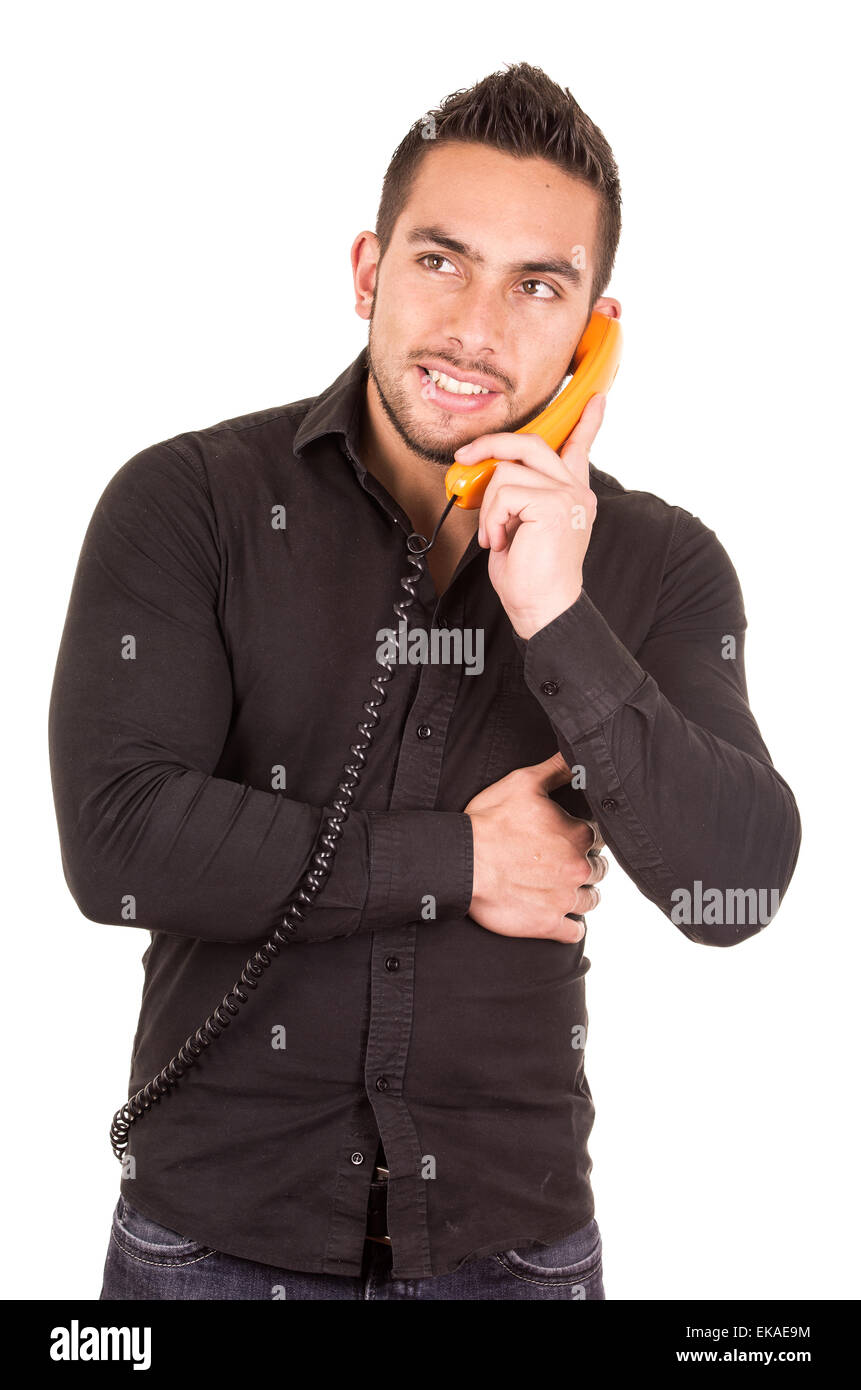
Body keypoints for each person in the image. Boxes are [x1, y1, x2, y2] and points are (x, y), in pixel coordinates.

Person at [48, 62, 801, 1301]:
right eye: (442, 261)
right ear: (369, 270)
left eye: (538, 285)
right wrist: (456, 859)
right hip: (212, 1248)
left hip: (518, 1257)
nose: (477, 329)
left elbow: (741, 887)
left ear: (594, 329)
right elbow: (120, 841)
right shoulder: (188, 503)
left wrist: (558, 610)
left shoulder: (663, 564)